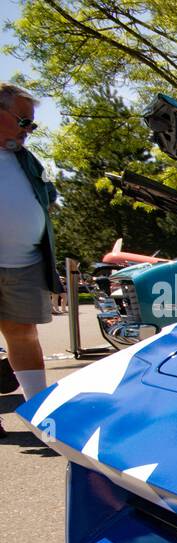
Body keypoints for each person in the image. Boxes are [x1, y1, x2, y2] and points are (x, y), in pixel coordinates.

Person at [0, 82, 59, 437]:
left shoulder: (26, 158)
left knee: (23, 335)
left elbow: (48, 193)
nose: (29, 131)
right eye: (24, 122)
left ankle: (41, 417)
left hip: (24, 262)